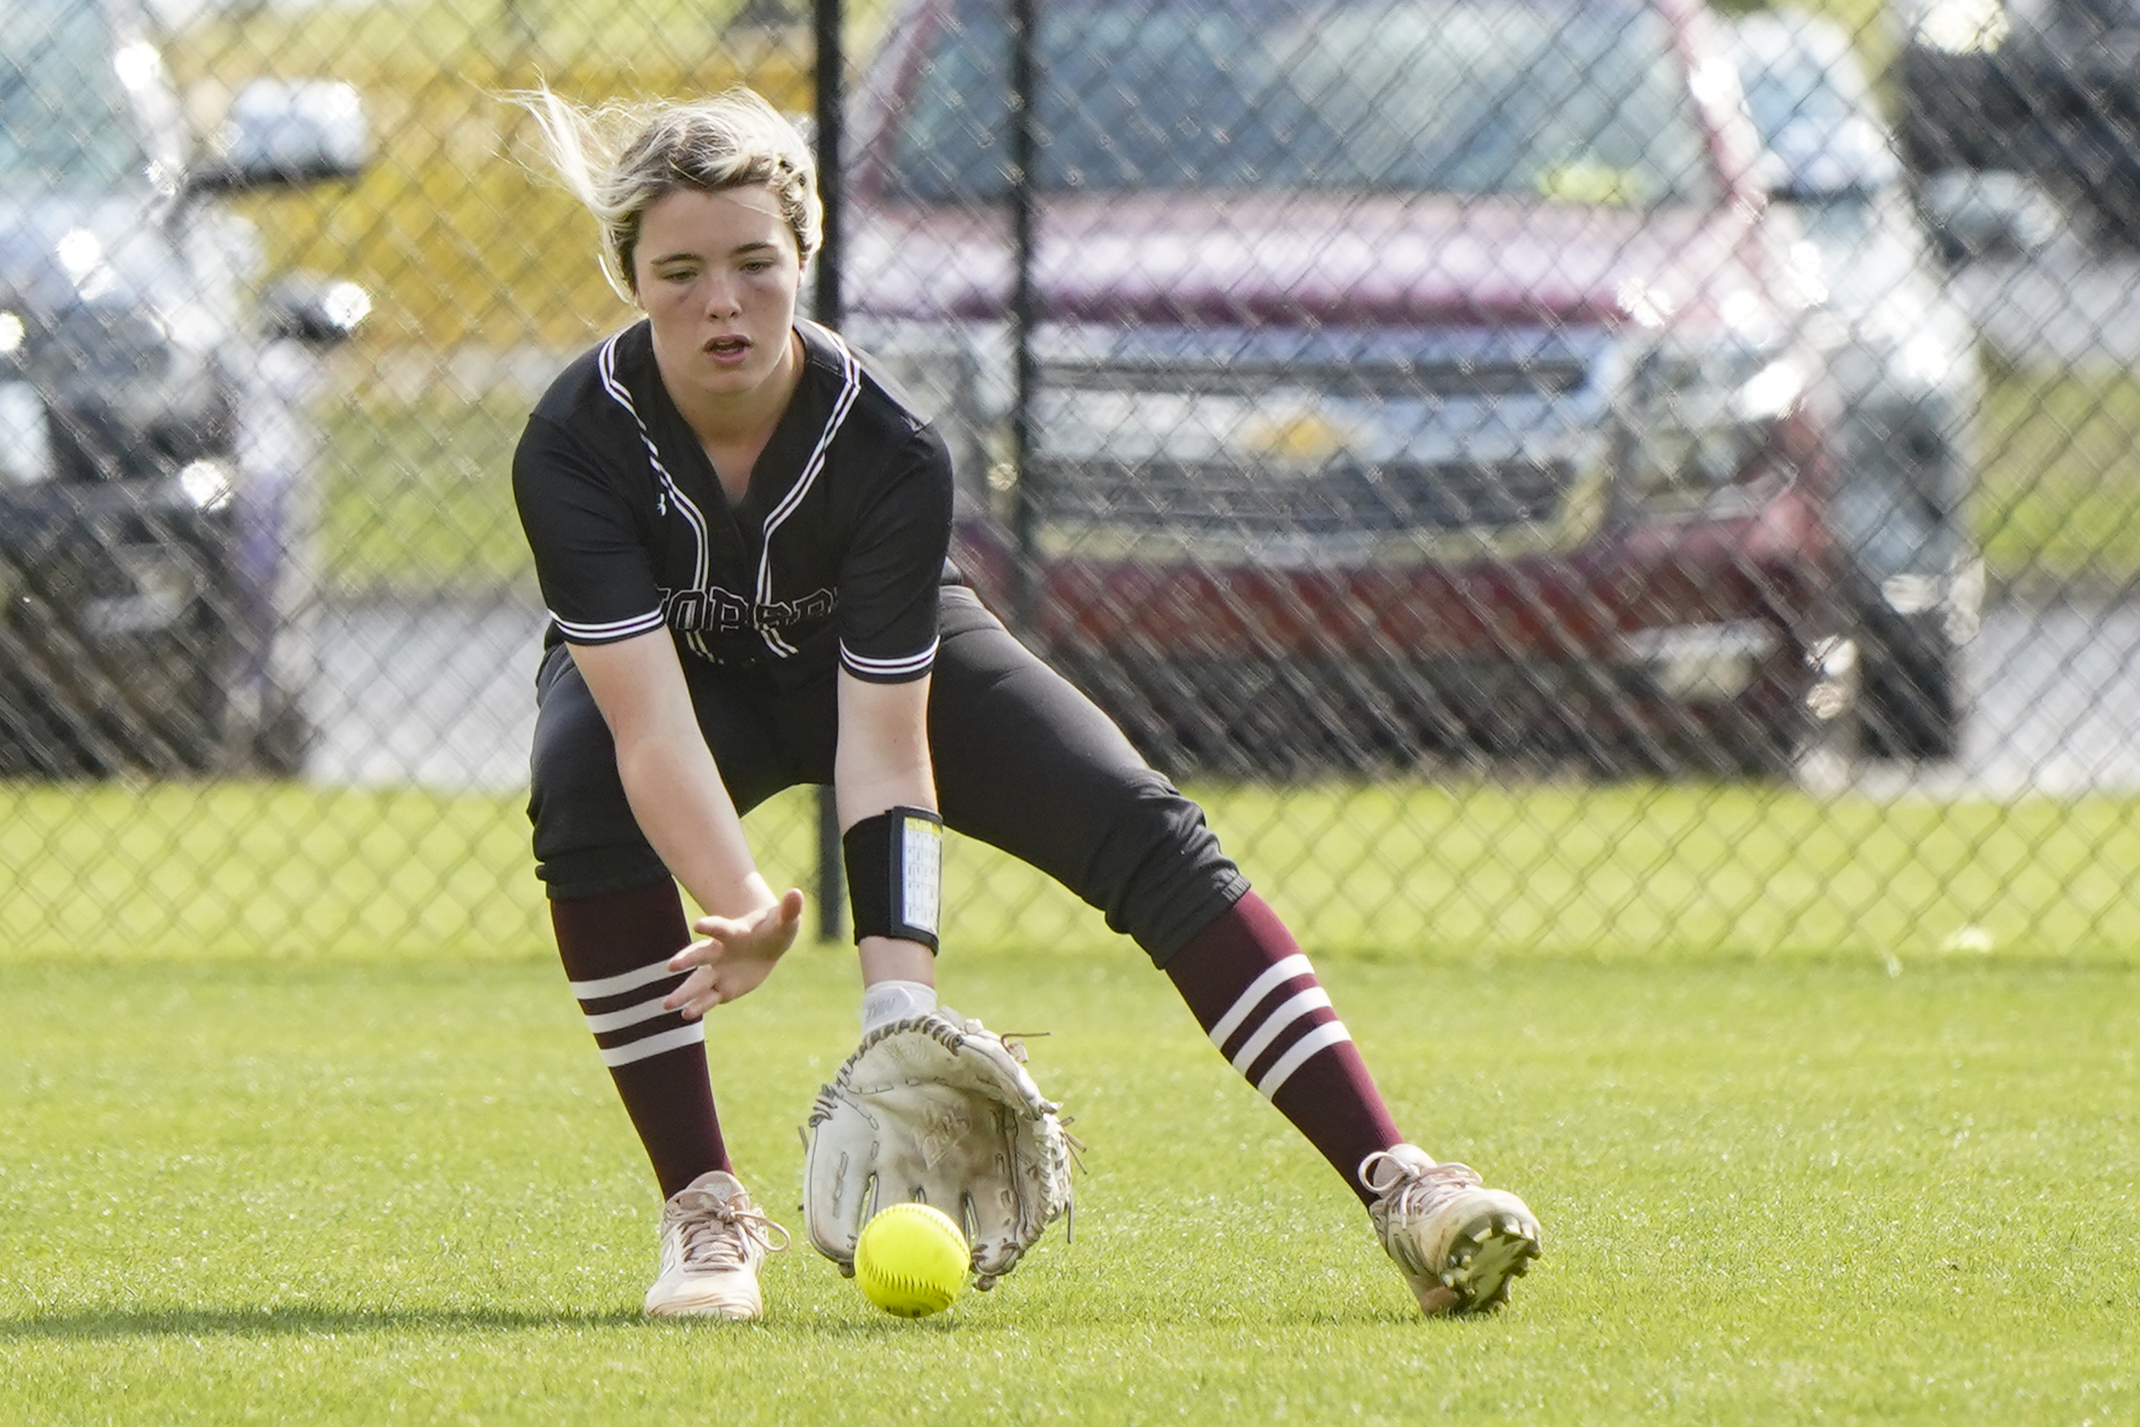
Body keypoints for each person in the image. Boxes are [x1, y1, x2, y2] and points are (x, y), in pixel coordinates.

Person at [509, 84, 1542, 1323]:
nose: (721, 301)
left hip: (875, 666)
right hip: (686, 686)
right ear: (627, 275)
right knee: (582, 785)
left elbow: (883, 748)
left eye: (753, 262)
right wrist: (743, 904)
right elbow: (650, 726)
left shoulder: (886, 445)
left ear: (805, 256)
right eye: (679, 271)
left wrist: (899, 1009)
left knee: (1141, 824)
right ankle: (706, 1211)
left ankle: (1402, 1183)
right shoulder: (575, 439)